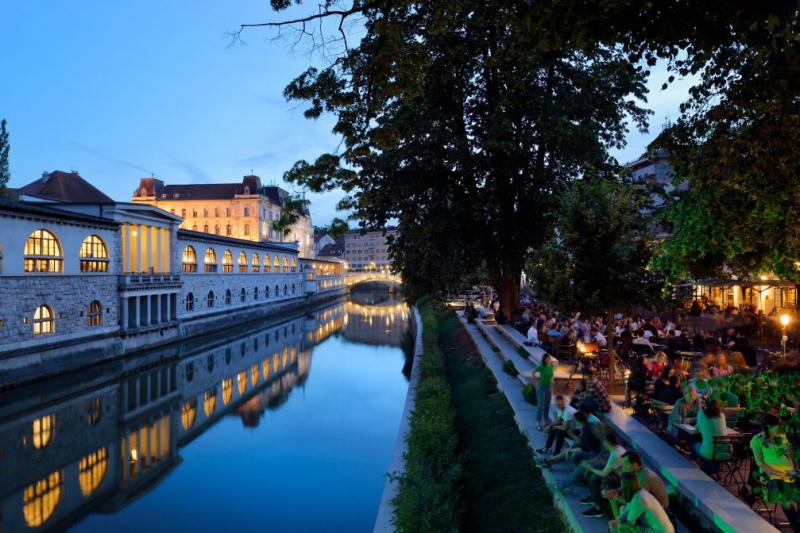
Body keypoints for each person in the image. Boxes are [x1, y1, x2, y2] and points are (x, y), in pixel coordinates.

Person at [750, 413, 800, 530]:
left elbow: (791, 457)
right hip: (771, 475)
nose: (778, 428)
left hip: (789, 472)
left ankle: (797, 520)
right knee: (785, 497)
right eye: (775, 426)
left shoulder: (782, 437)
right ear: (767, 426)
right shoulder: (757, 440)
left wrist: (790, 452)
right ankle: (797, 527)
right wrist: (777, 473)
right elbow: (760, 463)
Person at [578, 432, 627, 518]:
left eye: (604, 441)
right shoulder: (619, 448)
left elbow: (604, 474)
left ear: (607, 443)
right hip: (617, 474)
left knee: (593, 478)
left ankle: (598, 508)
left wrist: (591, 469)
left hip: (620, 479)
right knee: (594, 475)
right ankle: (594, 496)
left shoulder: (614, 454)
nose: (603, 443)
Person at [609, 473, 675, 533]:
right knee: (623, 510)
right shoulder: (641, 491)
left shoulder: (638, 500)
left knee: (622, 526)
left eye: (622, 485)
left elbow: (630, 522)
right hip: (668, 529)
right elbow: (627, 510)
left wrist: (617, 524)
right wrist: (618, 520)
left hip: (660, 531)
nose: (621, 488)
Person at [534, 355, 555, 430]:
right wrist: (535, 383)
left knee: (547, 405)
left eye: (549, 358)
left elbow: (551, 376)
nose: (548, 360)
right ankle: (538, 423)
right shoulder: (541, 366)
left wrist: (551, 386)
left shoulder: (551, 366)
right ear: (544, 360)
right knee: (540, 406)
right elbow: (533, 373)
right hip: (541, 388)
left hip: (548, 388)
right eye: (547, 359)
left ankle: (546, 421)